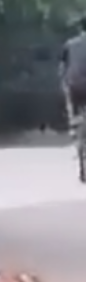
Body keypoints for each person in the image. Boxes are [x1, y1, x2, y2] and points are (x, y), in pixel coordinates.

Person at [59, 16, 86, 182]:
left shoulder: (69, 44)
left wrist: (64, 86)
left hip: (75, 87)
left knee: (74, 110)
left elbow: (62, 68)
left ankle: (73, 126)